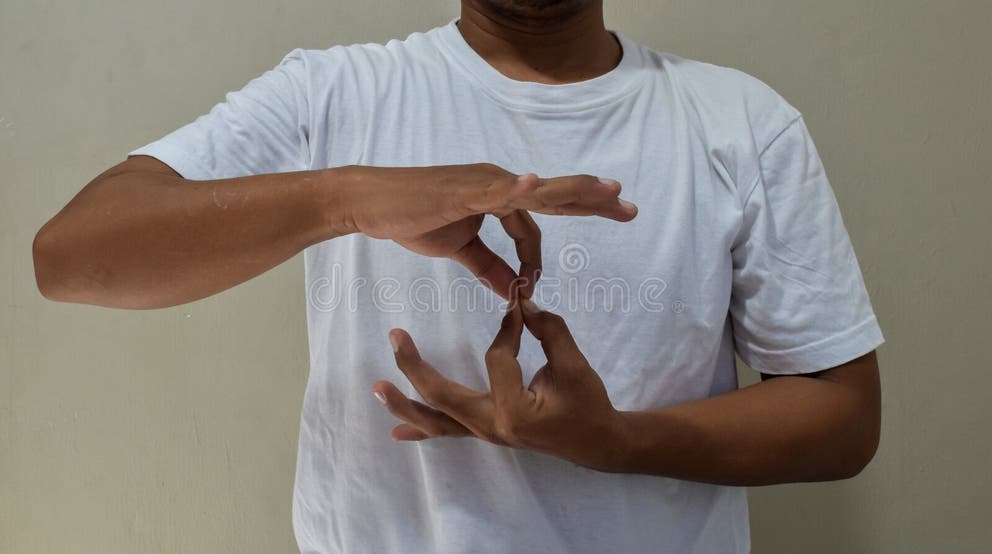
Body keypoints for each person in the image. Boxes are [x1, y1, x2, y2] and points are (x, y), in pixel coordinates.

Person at [32, 1, 885, 552]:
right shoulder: (335, 94)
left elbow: (842, 417)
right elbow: (74, 255)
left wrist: (616, 441)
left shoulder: (742, 121)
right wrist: (351, 198)